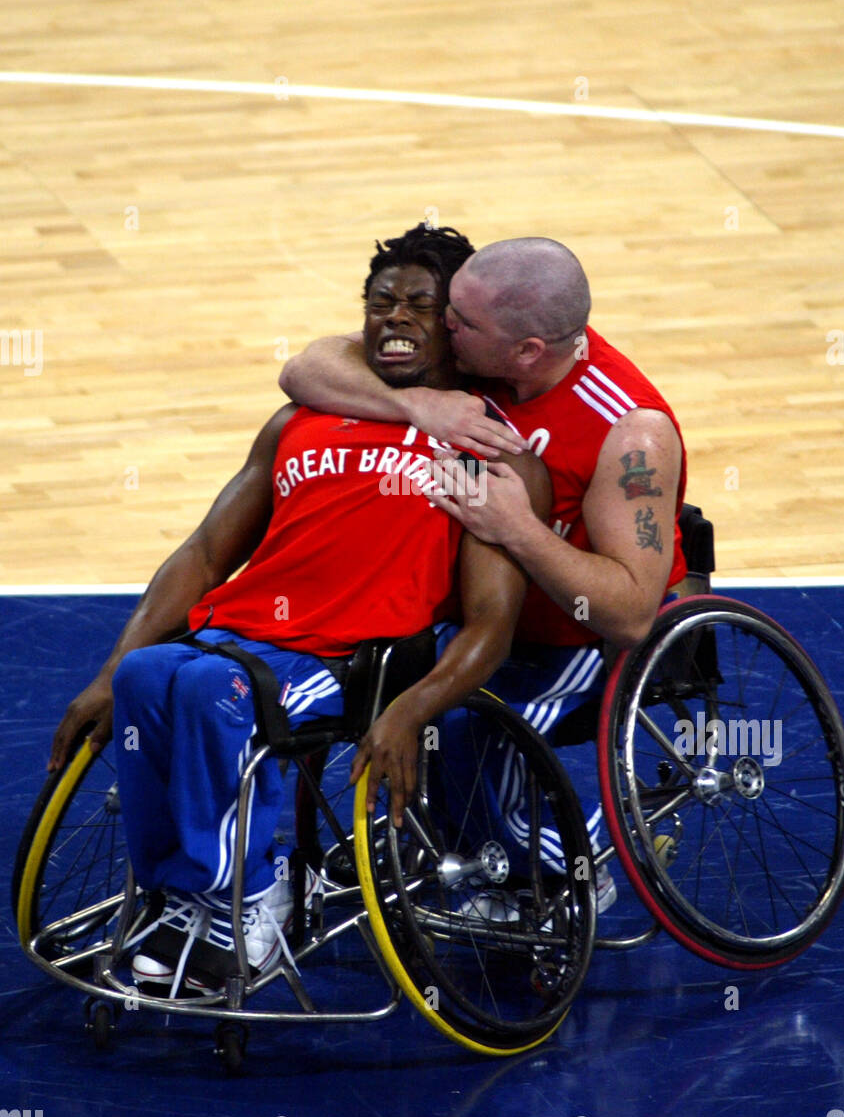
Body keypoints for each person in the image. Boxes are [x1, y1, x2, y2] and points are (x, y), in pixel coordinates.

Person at [48, 224, 549, 995]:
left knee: (221, 697)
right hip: (236, 629)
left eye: (422, 304)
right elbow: (204, 555)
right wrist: (109, 669)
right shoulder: (301, 419)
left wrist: (414, 709)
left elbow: (490, 623)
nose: (397, 318)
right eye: (382, 302)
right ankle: (183, 899)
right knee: (148, 678)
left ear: (455, 328)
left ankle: (251, 903)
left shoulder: (486, 449)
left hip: (343, 656)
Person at [278, 236, 688, 897]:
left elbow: (633, 611)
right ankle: (423, 832)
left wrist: (519, 531)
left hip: (570, 635)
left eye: (458, 322)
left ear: (527, 350)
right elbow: (307, 367)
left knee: (459, 714)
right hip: (468, 609)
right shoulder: (487, 341)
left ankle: (564, 864)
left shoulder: (631, 433)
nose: (441, 326)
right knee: (369, 672)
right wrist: (418, 404)